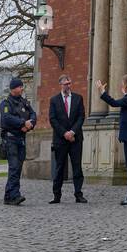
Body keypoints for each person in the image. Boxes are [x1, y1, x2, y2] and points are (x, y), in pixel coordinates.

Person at [99, 75, 127, 206]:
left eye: (122, 83)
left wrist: (102, 92)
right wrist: (125, 94)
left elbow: (114, 103)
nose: (121, 85)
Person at [48, 74, 87, 204]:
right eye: (65, 84)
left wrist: (72, 132)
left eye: (69, 83)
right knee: (59, 167)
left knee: (77, 167)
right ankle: (56, 195)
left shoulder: (78, 98)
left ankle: (78, 194)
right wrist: (64, 133)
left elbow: (81, 117)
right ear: (60, 85)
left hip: (76, 139)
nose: (68, 86)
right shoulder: (54, 100)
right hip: (60, 139)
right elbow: (53, 119)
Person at [0, 77, 37, 205]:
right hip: (10, 139)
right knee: (14, 167)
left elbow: (33, 114)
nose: (22, 88)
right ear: (13, 88)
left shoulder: (24, 102)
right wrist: (22, 123)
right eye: (20, 86)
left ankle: (8, 196)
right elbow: (7, 118)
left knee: (17, 168)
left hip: (21, 138)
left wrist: (30, 124)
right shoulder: (6, 103)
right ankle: (15, 195)